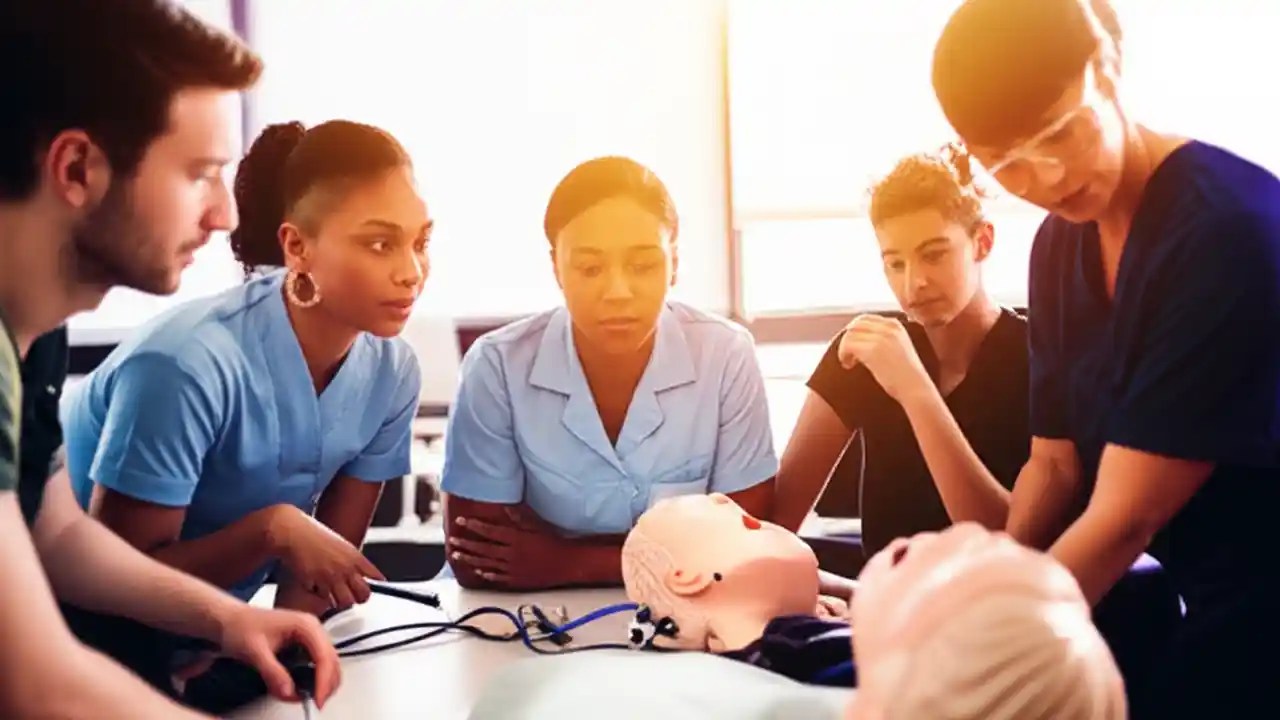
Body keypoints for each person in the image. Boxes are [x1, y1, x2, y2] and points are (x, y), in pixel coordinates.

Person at [931, 0, 1280, 717]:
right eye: (1008, 163)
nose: (1049, 176)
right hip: (1208, 590)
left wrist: (992, 657)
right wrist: (992, 588)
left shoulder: (1226, 230)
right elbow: (1054, 466)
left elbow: (1126, 517)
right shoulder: (1060, 246)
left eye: (1062, 129)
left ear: (1110, 67)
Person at [0, 2, 339, 717]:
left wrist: (225, 619)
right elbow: (38, 684)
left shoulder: (33, 332)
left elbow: (55, 532)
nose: (226, 216)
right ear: (76, 167)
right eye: (201, 173)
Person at [62, 118, 428, 619]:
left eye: (421, 242)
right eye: (381, 244)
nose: (412, 272)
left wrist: (279, 658)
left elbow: (319, 582)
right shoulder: (184, 365)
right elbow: (118, 581)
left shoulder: (393, 372)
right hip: (66, 631)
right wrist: (272, 530)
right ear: (297, 247)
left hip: (215, 634)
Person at [441, 156, 777, 592]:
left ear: (673, 263)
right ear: (556, 268)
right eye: (590, 268)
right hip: (520, 618)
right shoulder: (498, 366)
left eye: (642, 266)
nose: (618, 292)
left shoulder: (726, 355)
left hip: (687, 612)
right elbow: (477, 559)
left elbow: (740, 547)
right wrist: (677, 554)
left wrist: (564, 562)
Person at [773, 145, 1029, 559]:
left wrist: (914, 388)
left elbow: (1006, 545)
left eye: (934, 255)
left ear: (982, 242)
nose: (915, 283)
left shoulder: (1037, 359)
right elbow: (776, 527)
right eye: (895, 263)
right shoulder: (864, 351)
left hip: (998, 609)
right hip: (882, 609)